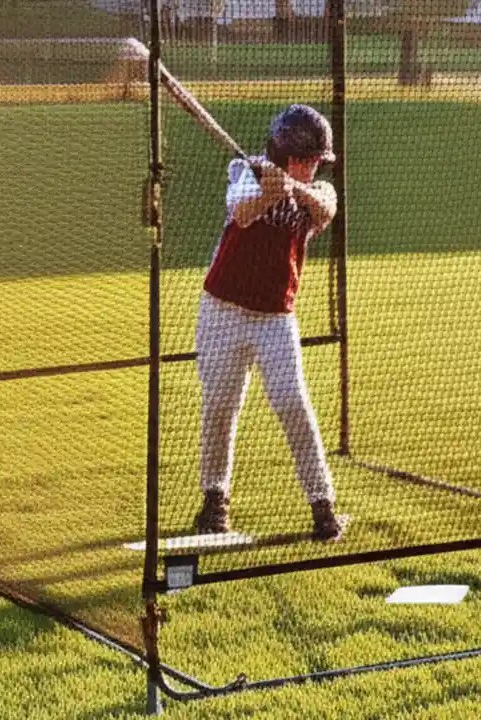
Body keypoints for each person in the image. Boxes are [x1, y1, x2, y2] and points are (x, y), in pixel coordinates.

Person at [192, 104, 346, 542]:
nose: (316, 164)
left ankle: (322, 504)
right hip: (222, 310)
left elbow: (325, 210)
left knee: (292, 403)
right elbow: (240, 211)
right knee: (220, 406)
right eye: (309, 157)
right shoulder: (245, 171)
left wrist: (293, 189)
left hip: (276, 318)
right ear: (288, 153)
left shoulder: (321, 189)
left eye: (318, 159)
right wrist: (268, 192)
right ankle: (214, 499)